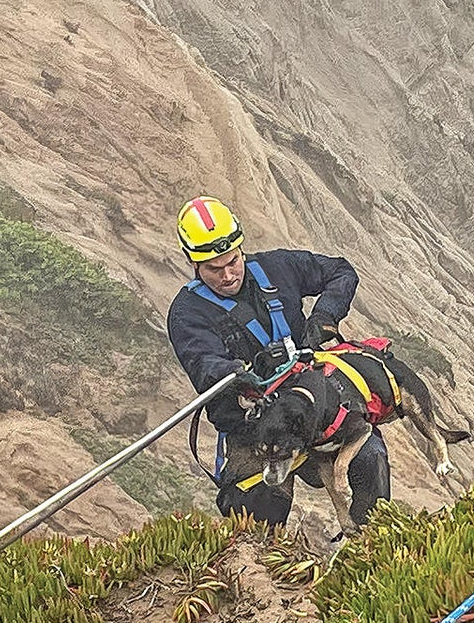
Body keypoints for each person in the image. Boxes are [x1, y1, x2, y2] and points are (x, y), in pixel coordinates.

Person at [167, 195, 391, 527]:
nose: (228, 275)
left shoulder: (277, 267)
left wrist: (324, 317)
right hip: (254, 428)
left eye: (233, 262)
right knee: (254, 514)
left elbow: (340, 272)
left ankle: (372, 542)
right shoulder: (187, 313)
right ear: (193, 263)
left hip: (317, 409)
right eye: (214, 269)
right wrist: (238, 373)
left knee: (368, 456)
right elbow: (203, 365)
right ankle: (265, 570)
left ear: (241, 248)